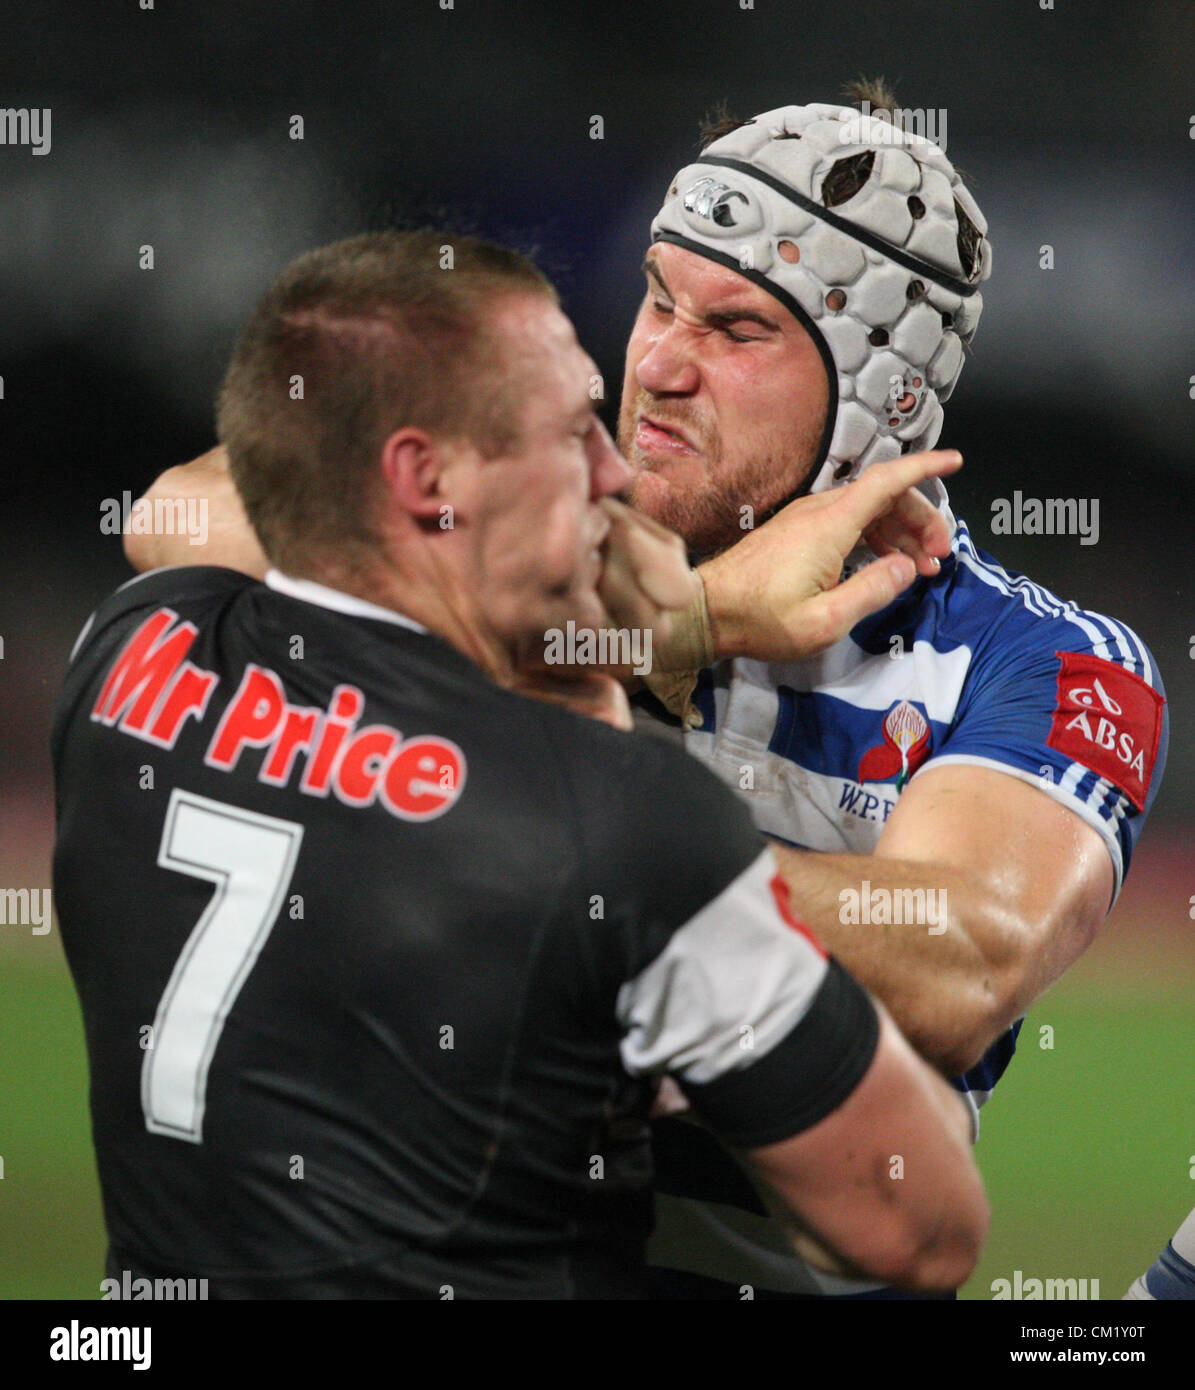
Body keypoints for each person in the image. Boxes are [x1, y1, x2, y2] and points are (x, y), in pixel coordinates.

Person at [54, 228, 987, 1299]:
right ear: (424, 475)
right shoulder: (618, 820)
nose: (614, 469)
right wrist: (671, 632)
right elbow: (920, 1231)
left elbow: (210, 494)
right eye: (567, 430)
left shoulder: (131, 650)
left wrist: (641, 623)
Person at [615, 83, 1169, 1297]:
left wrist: (553, 861)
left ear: (889, 398)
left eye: (735, 328)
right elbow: (200, 526)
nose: (656, 362)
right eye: (657, 298)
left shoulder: (1041, 662)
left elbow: (959, 961)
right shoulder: (515, 526)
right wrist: (677, 629)